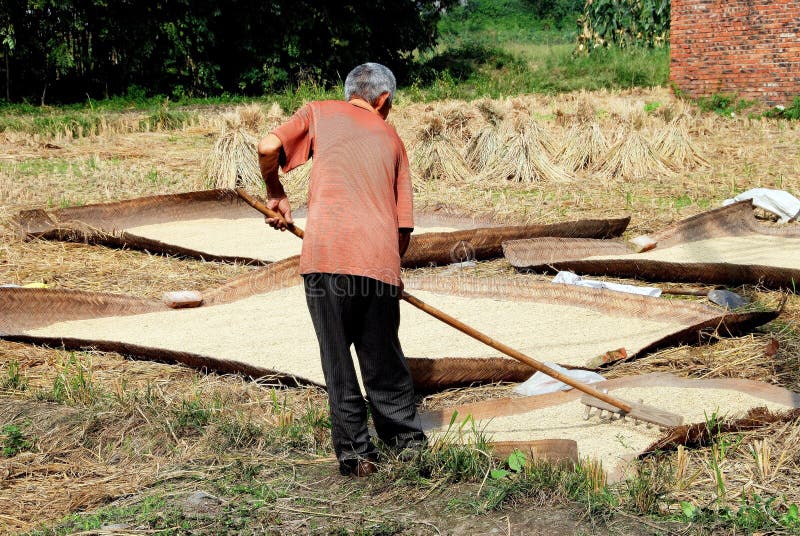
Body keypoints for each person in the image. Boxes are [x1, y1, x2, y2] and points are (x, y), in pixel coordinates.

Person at [257, 63, 427, 477]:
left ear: (350, 91)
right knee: (383, 360)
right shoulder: (392, 138)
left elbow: (267, 147)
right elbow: (403, 227)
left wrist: (276, 192)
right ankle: (408, 449)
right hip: (378, 265)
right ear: (383, 100)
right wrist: (389, 268)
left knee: (337, 363)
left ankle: (357, 456)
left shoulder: (319, 112)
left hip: (324, 260)